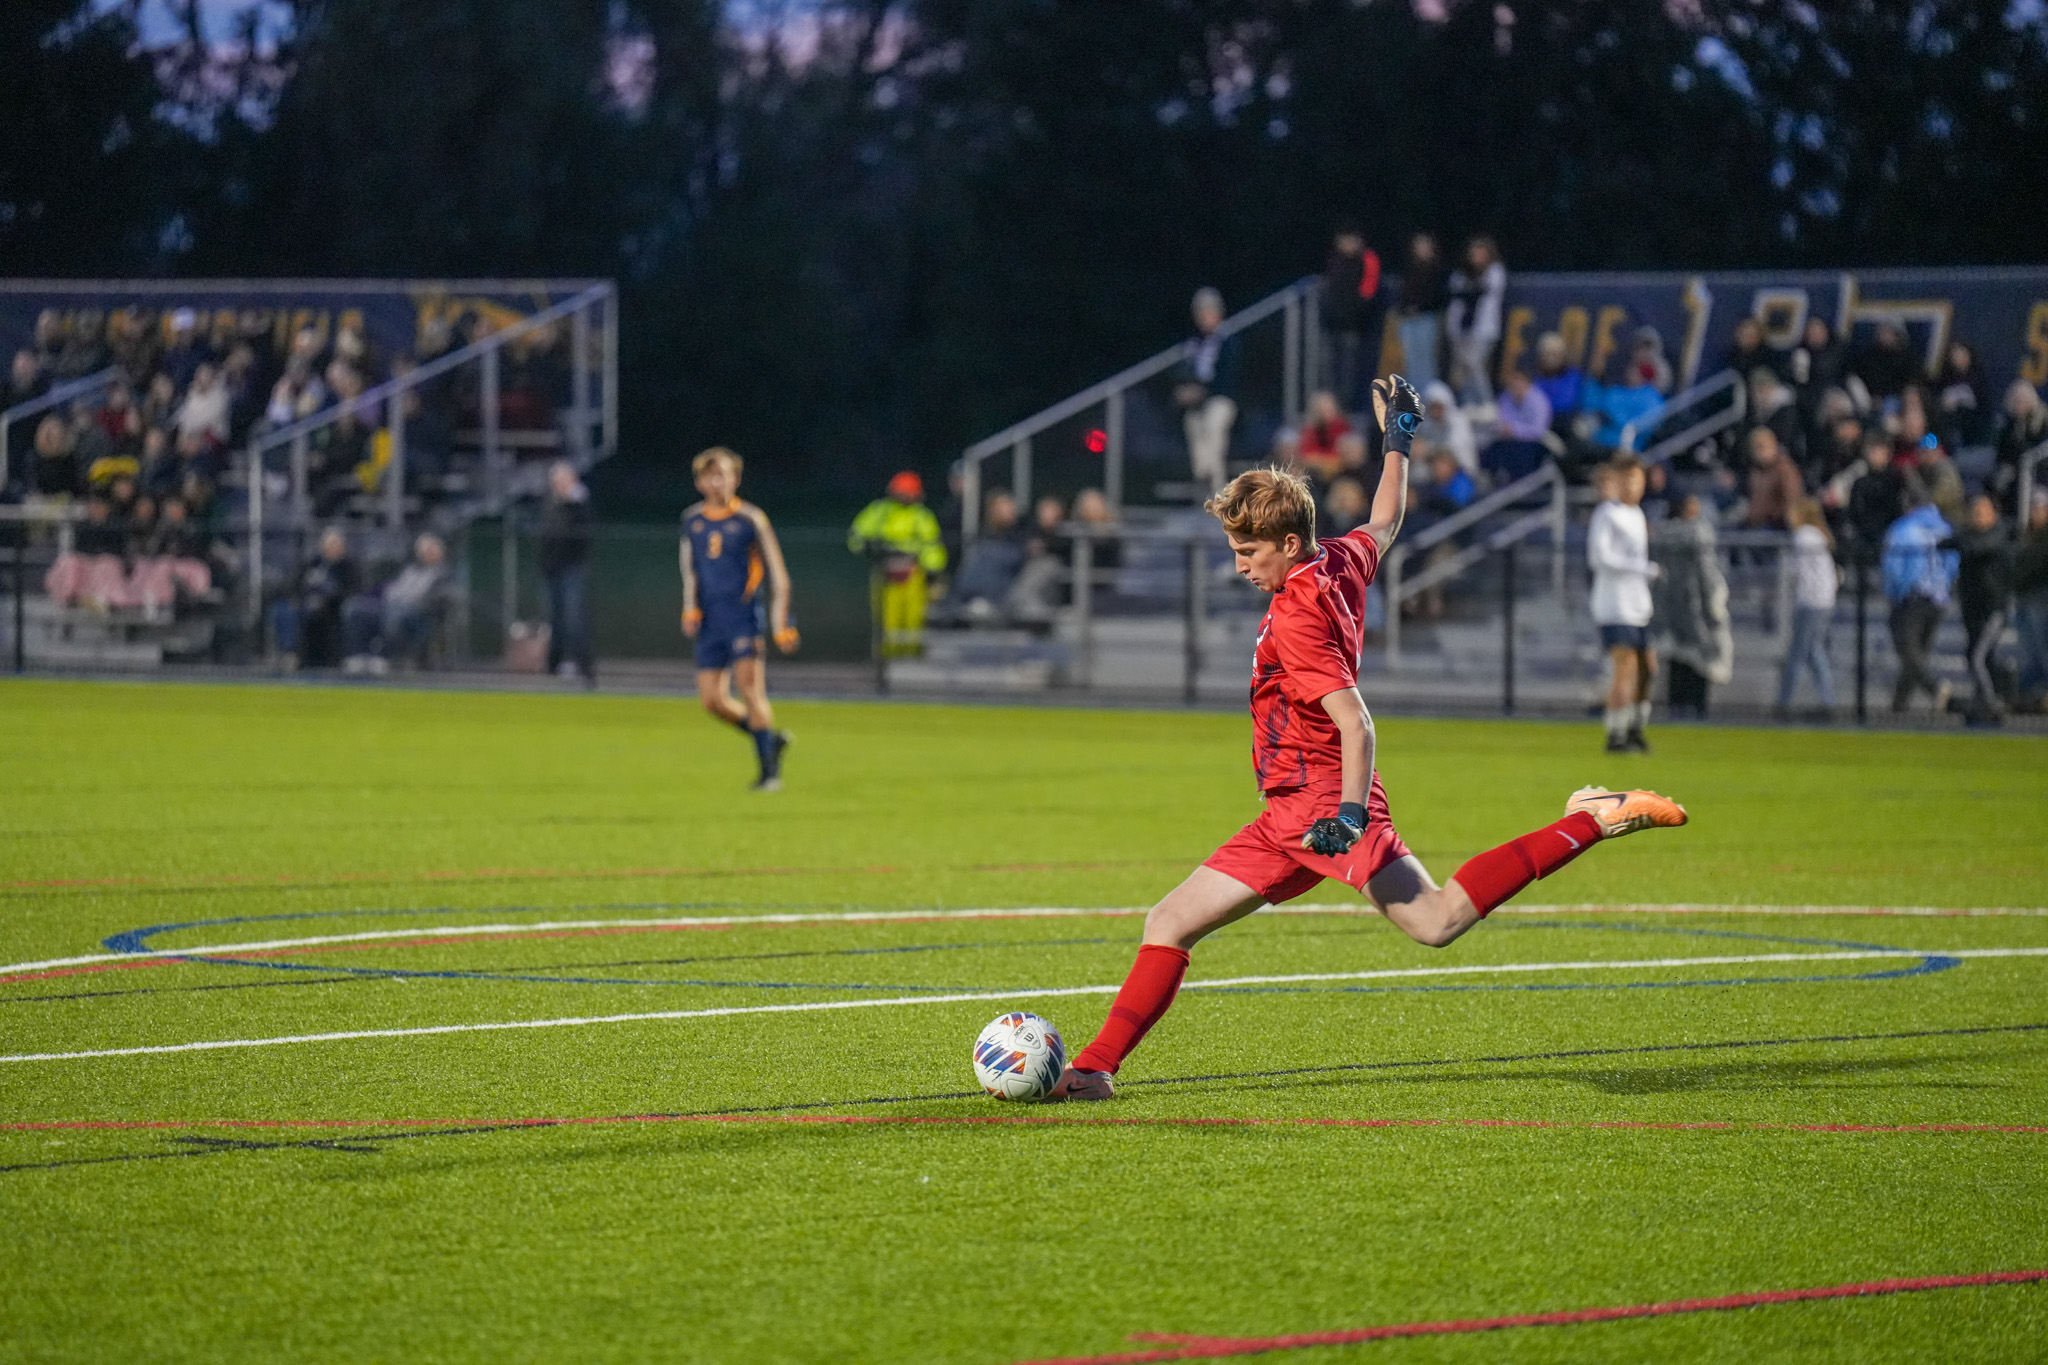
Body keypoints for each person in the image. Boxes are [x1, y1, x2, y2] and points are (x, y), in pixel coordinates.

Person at [1045, 377, 1688, 1103]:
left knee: (1436, 921)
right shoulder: (1338, 559)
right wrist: (1398, 441)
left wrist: (1350, 815)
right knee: (1168, 920)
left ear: (1289, 543)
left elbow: (1357, 721)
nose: (1239, 564)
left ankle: (1592, 818)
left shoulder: (1298, 614)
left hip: (1324, 804)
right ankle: (1094, 1070)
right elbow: (1385, 519)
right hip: (1288, 811)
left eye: (1248, 550)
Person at [681, 447, 798, 791]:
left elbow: (778, 574)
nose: (718, 482)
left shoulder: (750, 518)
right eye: (711, 476)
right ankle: (769, 740)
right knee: (711, 700)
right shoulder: (692, 520)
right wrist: (689, 607)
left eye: (724, 475)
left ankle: (769, 774)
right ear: (700, 482)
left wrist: (781, 622)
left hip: (743, 618)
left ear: (736, 479)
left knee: (750, 691)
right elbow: (689, 570)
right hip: (710, 621)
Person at [1588, 455, 1658, 752]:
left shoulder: (1637, 515)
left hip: (1638, 604)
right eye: (1628, 479)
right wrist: (1640, 568)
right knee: (1625, 667)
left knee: (1648, 668)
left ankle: (1635, 727)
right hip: (1615, 604)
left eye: (1638, 479)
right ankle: (1615, 733)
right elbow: (1599, 557)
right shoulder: (1607, 513)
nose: (1633, 485)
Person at [849, 469, 947, 660]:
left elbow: (932, 546)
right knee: (886, 619)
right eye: (902, 492)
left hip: (913, 573)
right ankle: (885, 662)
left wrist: (933, 572)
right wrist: (870, 547)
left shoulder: (921, 516)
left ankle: (912, 660)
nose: (905, 497)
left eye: (909, 493)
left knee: (913, 619)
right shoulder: (880, 511)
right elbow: (857, 536)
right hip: (885, 573)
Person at [1652, 493, 1734, 719]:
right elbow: (1707, 574)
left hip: (1671, 607)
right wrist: (1713, 602)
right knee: (1700, 658)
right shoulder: (1699, 535)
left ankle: (1676, 705)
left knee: (1677, 658)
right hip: (1696, 605)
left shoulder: (1662, 537)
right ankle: (1697, 708)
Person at [1882, 494, 1958, 714]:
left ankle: (1934, 689)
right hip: (1938, 597)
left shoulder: (1903, 529)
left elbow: (1893, 566)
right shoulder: (1944, 528)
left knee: (1907, 650)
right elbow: (1953, 563)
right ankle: (1899, 703)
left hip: (1912, 596)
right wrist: (1943, 585)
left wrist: (1895, 592)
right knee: (1918, 652)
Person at [342, 533, 450, 674]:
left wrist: (403, 602)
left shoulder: (443, 575)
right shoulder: (410, 571)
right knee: (355, 609)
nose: (426, 554)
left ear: (439, 552)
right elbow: (392, 591)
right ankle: (361, 656)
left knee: (396, 616)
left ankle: (383, 657)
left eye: (430, 550)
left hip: (417, 615)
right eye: (423, 551)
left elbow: (430, 601)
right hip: (389, 607)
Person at [1173, 288, 1241, 491]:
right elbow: (1184, 372)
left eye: (1207, 311)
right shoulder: (1193, 343)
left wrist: (1203, 392)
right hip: (1198, 404)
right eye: (1200, 312)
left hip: (1221, 399)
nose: (1203, 317)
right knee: (1193, 425)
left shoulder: (1228, 341)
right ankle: (1203, 477)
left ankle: (1215, 484)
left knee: (1213, 425)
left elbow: (1228, 376)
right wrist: (1185, 391)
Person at [1954, 494, 2014, 725]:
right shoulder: (1966, 536)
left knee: (1977, 657)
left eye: (1982, 513)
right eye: (1975, 513)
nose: (1977, 518)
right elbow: (1947, 542)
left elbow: (1978, 547)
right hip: (1973, 609)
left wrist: (1963, 539)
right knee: (1979, 656)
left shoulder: (1998, 535)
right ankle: (1982, 704)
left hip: (1993, 609)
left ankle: (1992, 702)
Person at [1776, 500, 1839, 717]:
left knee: (1797, 652)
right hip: (1824, 599)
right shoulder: (1818, 535)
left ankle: (1784, 702)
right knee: (1814, 651)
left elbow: (1798, 573)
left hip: (1810, 600)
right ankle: (1827, 701)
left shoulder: (1804, 536)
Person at [538, 460, 596, 684]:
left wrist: (574, 502)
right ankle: (554, 663)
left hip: (573, 567)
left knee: (575, 617)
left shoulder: (579, 503)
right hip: (551, 567)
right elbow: (546, 535)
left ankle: (583, 664)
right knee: (554, 618)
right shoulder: (550, 502)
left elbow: (584, 532)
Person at [271, 526, 358, 668]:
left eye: (335, 545)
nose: (331, 548)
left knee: (317, 613)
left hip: (331, 608)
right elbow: (296, 584)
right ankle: (289, 654)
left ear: (342, 547)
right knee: (283, 609)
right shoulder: (314, 563)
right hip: (305, 603)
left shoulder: (348, 567)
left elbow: (351, 592)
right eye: (328, 545)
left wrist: (326, 600)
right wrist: (299, 598)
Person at [1318, 228, 1385, 412]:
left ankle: (1350, 407)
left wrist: (1354, 315)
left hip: (1356, 326)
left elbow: (1368, 292)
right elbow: (1330, 290)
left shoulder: (1367, 259)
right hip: (1334, 324)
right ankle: (1333, 406)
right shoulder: (1335, 260)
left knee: (1352, 370)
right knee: (1332, 368)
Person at [1445, 236, 1506, 407]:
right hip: (1460, 328)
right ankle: (1468, 404)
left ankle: (1485, 403)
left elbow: (1483, 291)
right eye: (1474, 254)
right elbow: (1455, 298)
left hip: (1483, 329)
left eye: (1481, 253)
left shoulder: (1494, 271)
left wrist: (1469, 290)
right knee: (1462, 370)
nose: (1477, 257)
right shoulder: (1460, 274)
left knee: (1475, 365)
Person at [1394, 233, 1448, 393]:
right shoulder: (1408, 269)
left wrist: (1421, 308)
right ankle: (1414, 397)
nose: (1421, 250)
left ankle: (1427, 397)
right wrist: (1404, 310)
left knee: (1426, 361)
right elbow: (1403, 294)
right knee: (1410, 361)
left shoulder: (1438, 270)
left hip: (1426, 319)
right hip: (1408, 320)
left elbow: (1439, 297)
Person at [1482, 366, 1551, 485]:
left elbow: (1538, 430)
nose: (1516, 384)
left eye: (1520, 380)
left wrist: (1515, 430)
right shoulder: (1506, 397)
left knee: (1521, 454)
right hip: (1507, 440)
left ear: (1527, 382)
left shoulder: (1538, 401)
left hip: (1531, 442)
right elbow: (1500, 419)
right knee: (1488, 451)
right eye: (1514, 380)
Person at [2013, 490, 2048, 710]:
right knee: (2030, 650)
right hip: (2025, 596)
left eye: (2040, 508)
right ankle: (2028, 694)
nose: (2036, 512)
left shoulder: (2042, 537)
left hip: (2040, 596)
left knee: (2041, 648)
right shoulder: (2027, 534)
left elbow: (2035, 565)